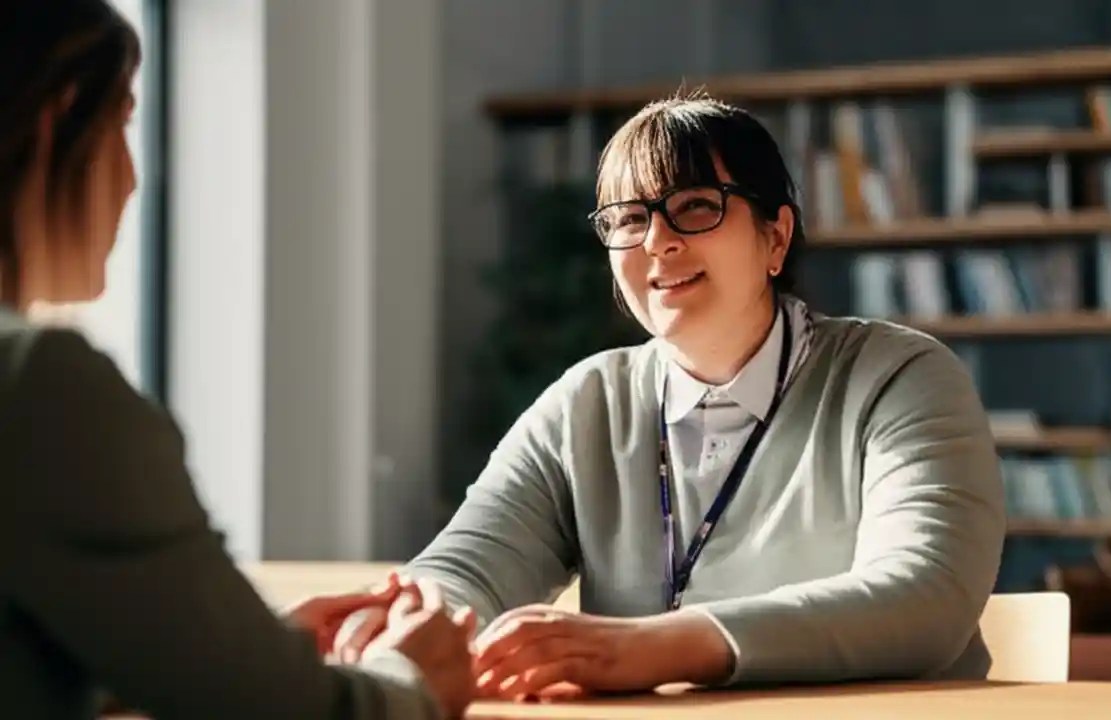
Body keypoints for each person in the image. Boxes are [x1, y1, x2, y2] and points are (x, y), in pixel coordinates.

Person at [339, 92, 1007, 698]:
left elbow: (926, 594)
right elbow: (468, 569)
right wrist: (405, 617)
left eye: (695, 207)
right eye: (629, 219)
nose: (658, 241)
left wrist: (659, 645)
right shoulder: (587, 403)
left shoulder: (900, 376)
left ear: (775, 237)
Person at [0, 2, 475, 718]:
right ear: (54, 118)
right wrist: (407, 679)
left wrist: (235, 646)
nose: (133, 180)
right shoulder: (40, 388)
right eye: (123, 123)